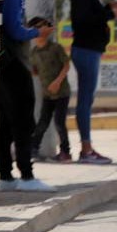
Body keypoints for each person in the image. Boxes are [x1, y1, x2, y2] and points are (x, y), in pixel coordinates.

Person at [0, 0, 55, 192]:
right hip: (15, 64)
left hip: (1, 63)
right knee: (22, 120)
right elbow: (15, 31)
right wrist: (38, 32)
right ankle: (27, 176)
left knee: (6, 122)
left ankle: (6, 176)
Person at [68, 0, 117, 165]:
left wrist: (110, 10)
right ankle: (86, 149)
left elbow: (93, 16)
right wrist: (109, 12)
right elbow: (83, 21)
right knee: (85, 100)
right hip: (86, 50)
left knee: (87, 99)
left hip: (90, 50)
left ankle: (87, 147)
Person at [28, 17, 72, 163]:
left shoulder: (55, 48)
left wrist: (57, 82)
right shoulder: (33, 52)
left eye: (45, 26)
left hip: (61, 93)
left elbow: (66, 65)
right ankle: (33, 149)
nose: (43, 29)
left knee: (59, 122)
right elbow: (34, 70)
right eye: (39, 27)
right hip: (47, 94)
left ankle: (65, 152)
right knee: (43, 122)